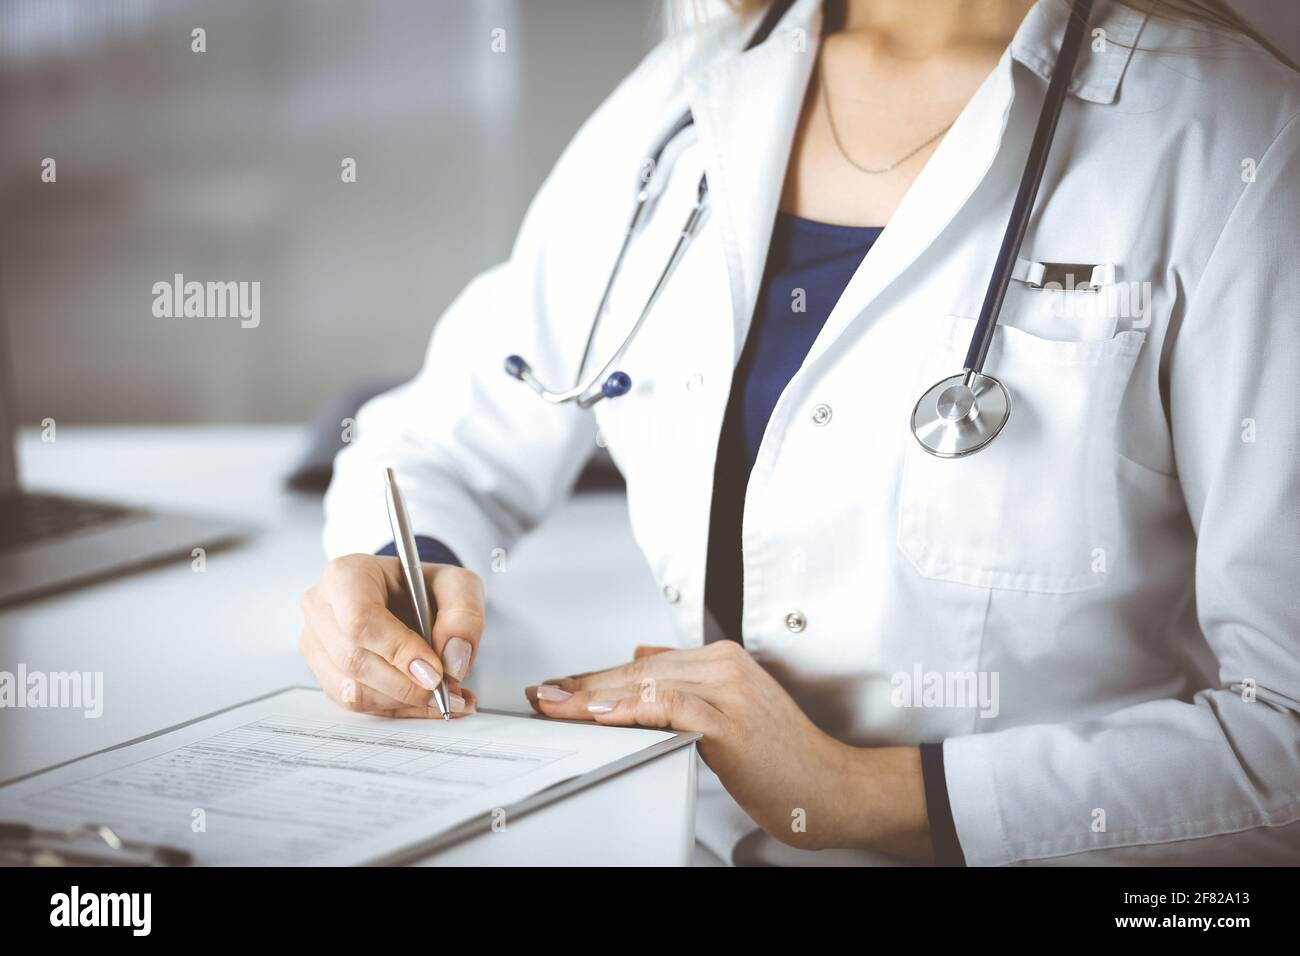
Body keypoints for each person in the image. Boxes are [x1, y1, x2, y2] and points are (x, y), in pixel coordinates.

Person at [299, 0, 1300, 865]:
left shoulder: (1233, 139)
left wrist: (862, 790)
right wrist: (401, 565)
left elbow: (1284, 734)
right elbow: (438, 437)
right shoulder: (688, 95)